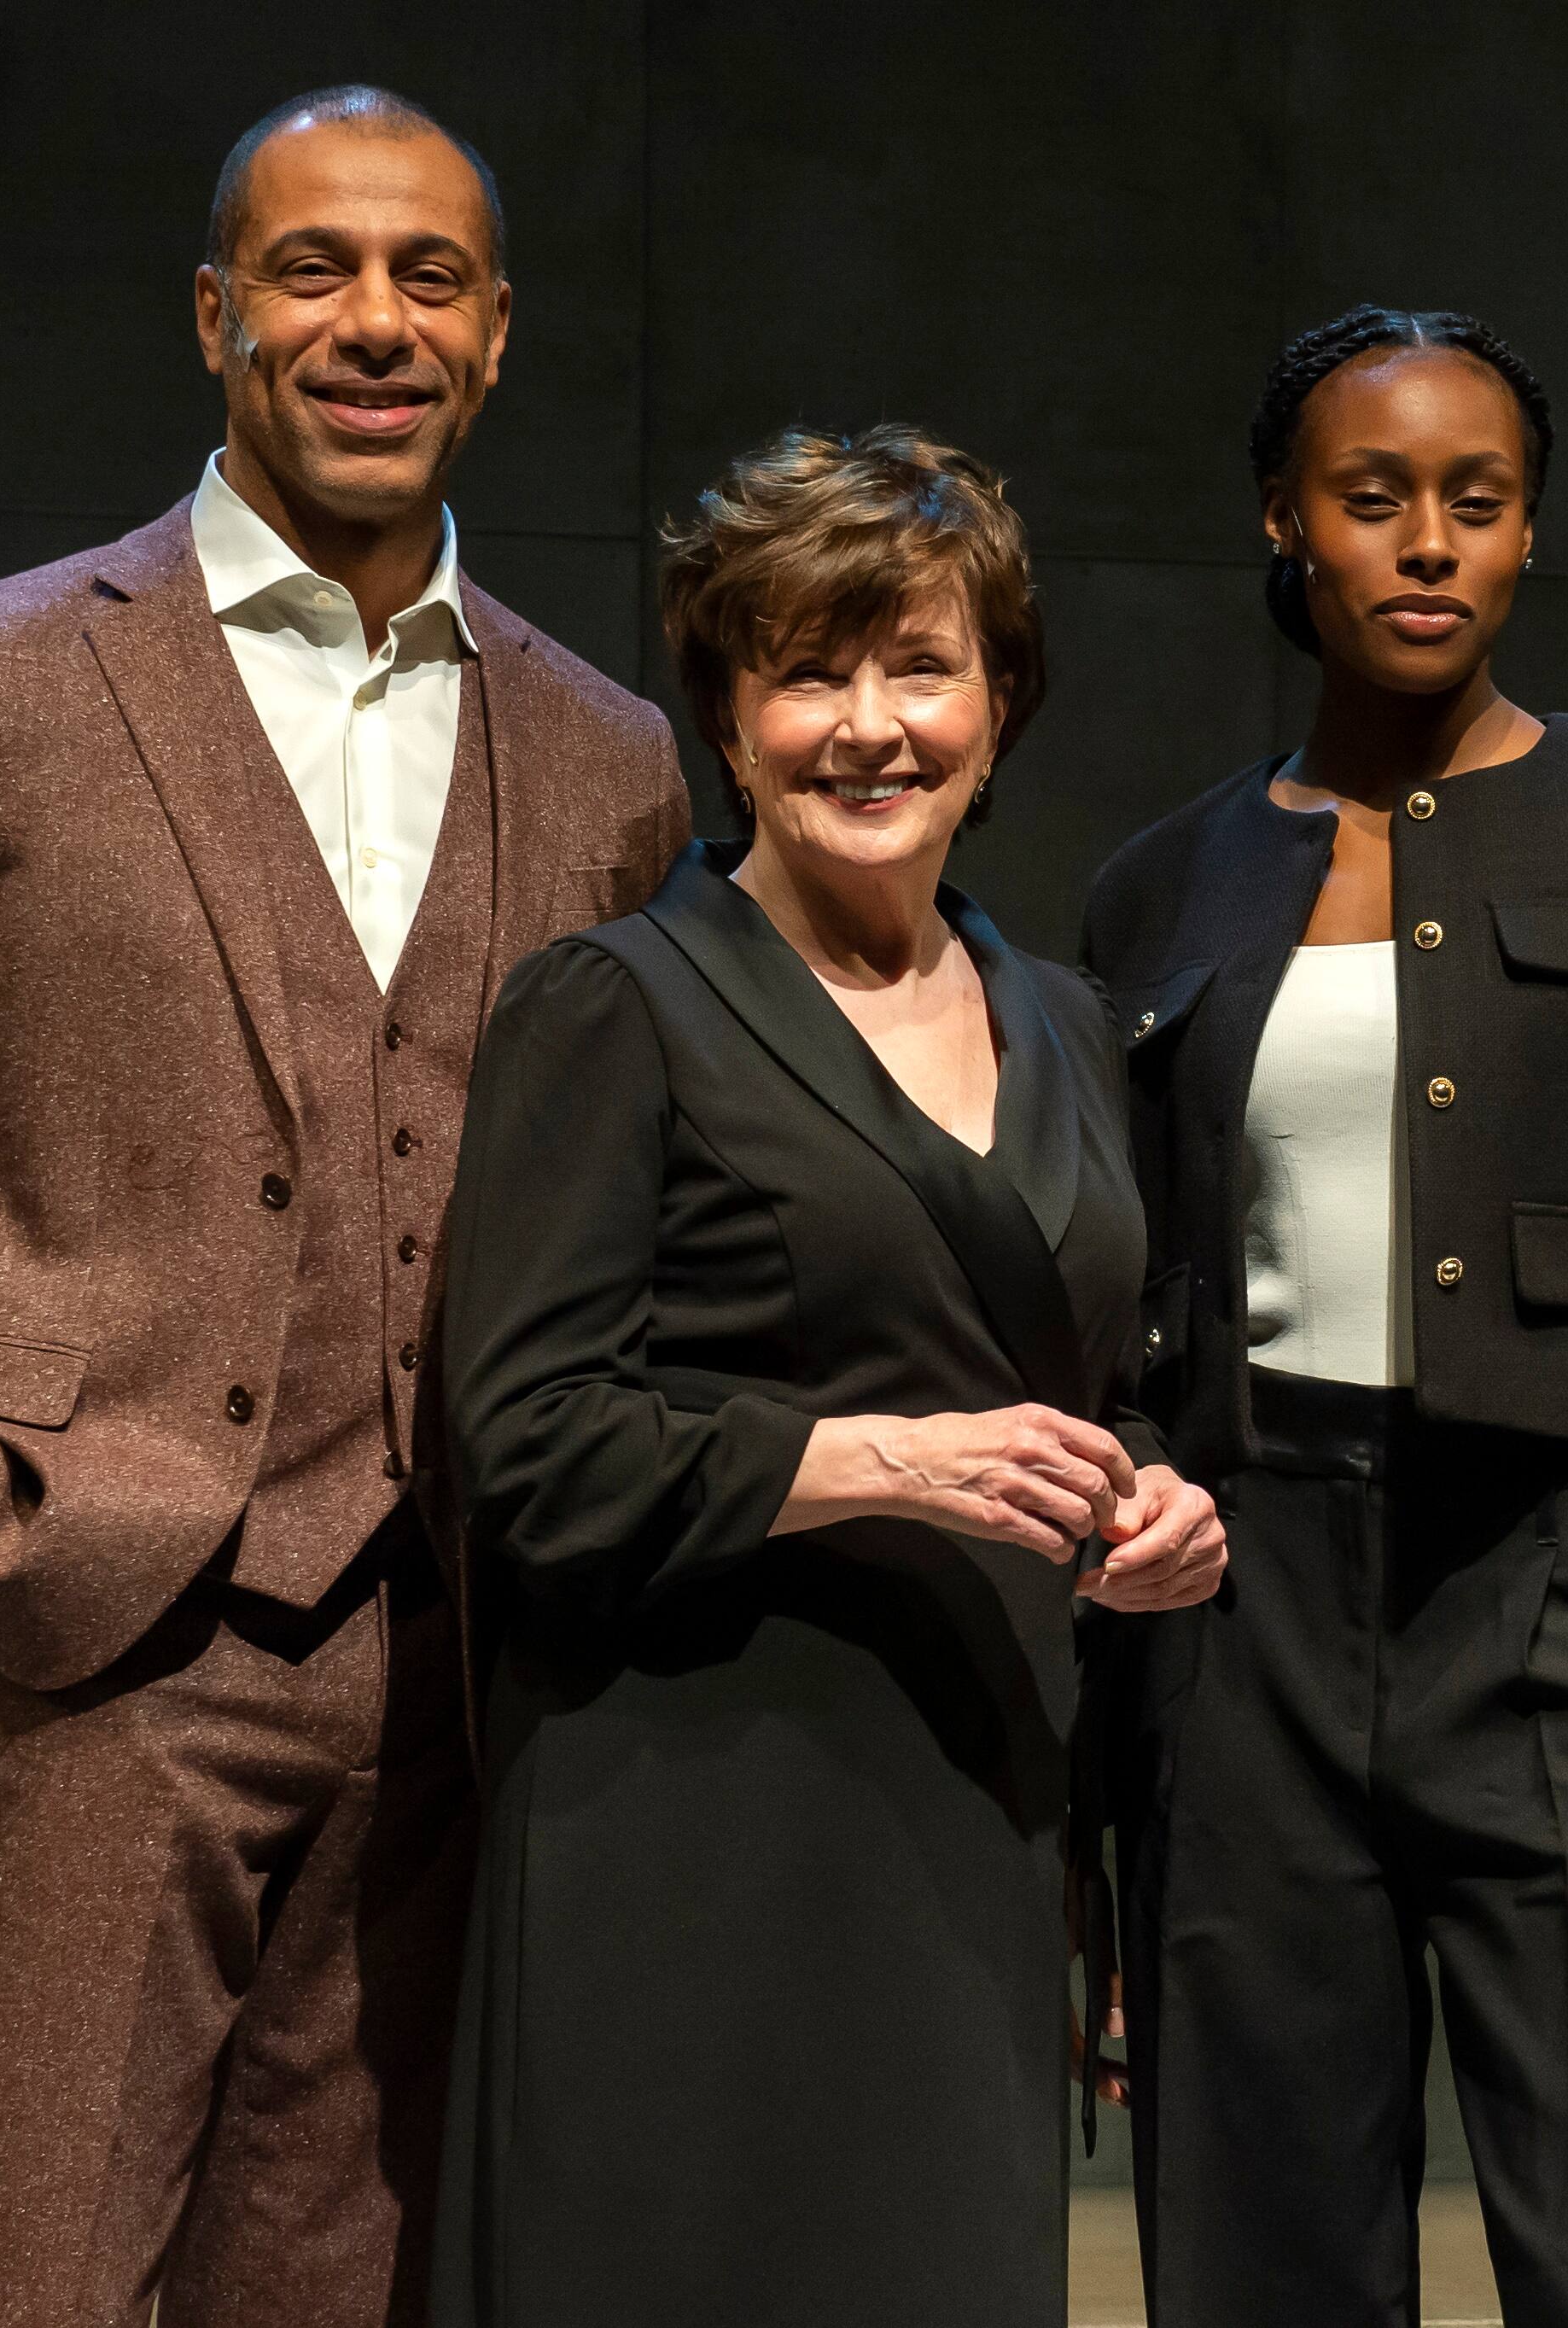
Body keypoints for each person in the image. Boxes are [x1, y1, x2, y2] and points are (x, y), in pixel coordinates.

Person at [0, 85, 685, 2327]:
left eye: (427, 276)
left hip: (455, 1681)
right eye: (315, 266)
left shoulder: (610, 753)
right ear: (217, 310)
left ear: (499, 335)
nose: (372, 320)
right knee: (25, 2278)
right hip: (100, 1649)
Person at [1082, 306, 1568, 2328]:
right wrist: (1096, 1796)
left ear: (1524, 538)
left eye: (1473, 500)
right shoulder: (1157, 889)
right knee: (1254, 2262)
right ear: (1285, 521)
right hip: (1241, 1624)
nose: (1424, 540)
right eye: (1371, 496)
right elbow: (1107, 1359)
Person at [430, 423, 1227, 2326]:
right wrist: (877, 1464)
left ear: (1000, 701)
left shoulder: (1061, 1018)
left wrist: (1148, 1498)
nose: (866, 725)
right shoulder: (612, 1004)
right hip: (683, 1822)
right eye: (804, 670)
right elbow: (519, 1447)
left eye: (919, 666)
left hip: (969, 1812)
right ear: (725, 715)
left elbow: (1066, 1380)